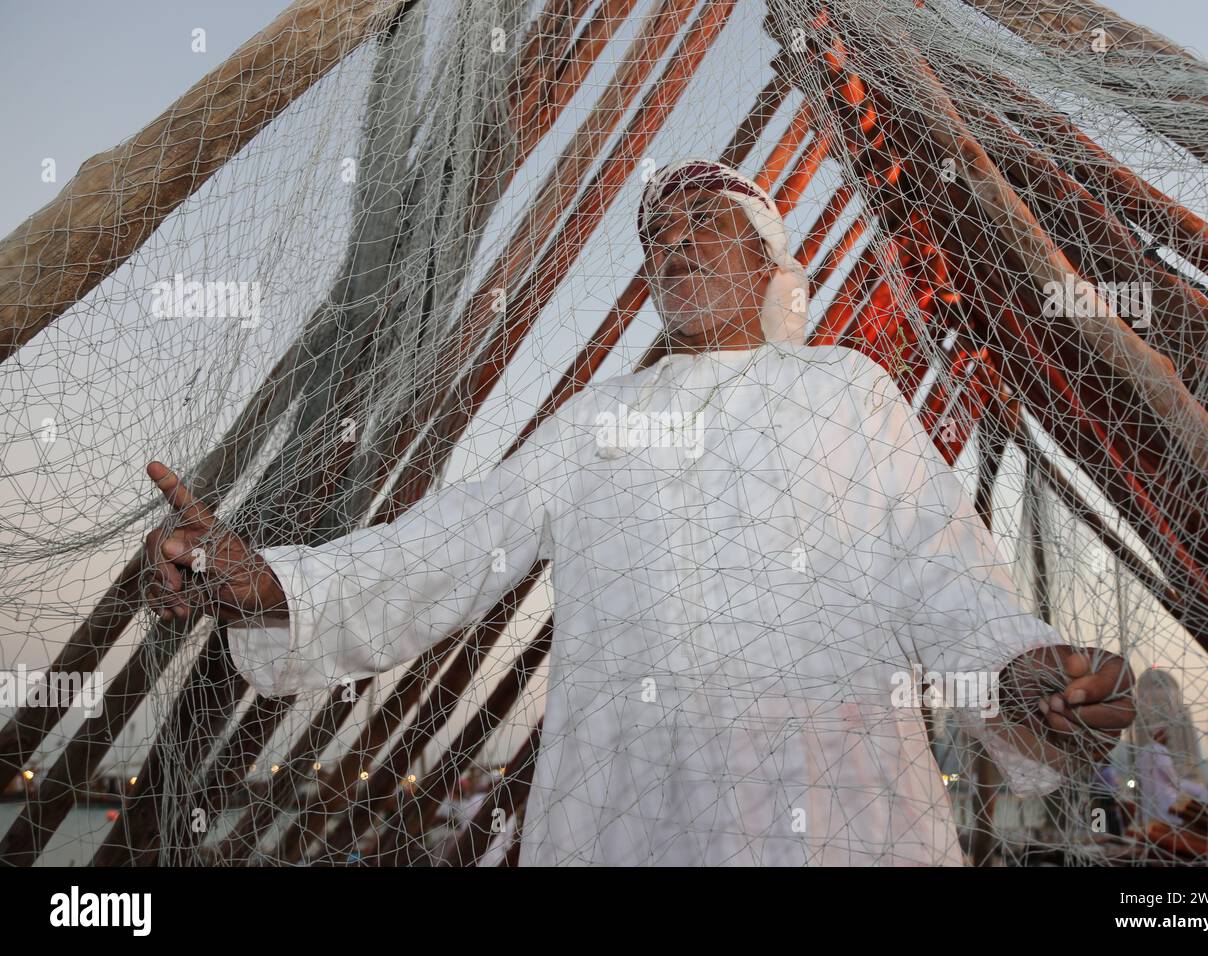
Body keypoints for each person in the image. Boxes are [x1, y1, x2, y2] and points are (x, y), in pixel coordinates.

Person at [141, 158, 1135, 865]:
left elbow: (941, 571)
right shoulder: (600, 417)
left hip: (835, 818)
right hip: (623, 813)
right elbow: (450, 544)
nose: (675, 245)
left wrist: (1016, 670)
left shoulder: (844, 388)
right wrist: (278, 581)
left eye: (706, 226)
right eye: (658, 238)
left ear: (769, 263)